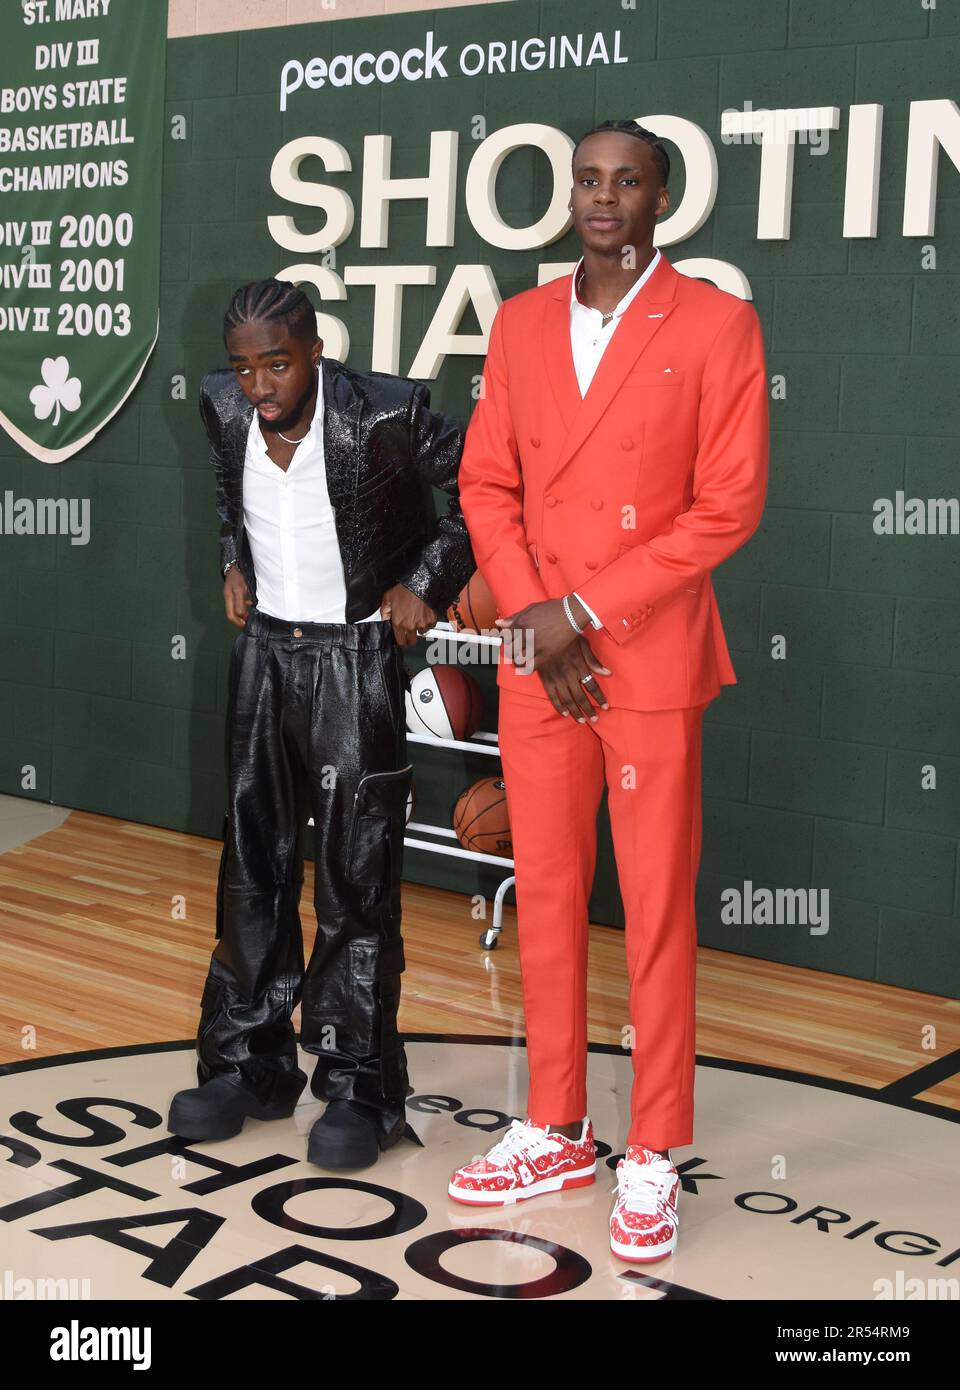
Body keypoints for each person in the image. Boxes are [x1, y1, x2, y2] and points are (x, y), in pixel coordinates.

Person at [451, 120, 769, 1261]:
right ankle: (555, 1123)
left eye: (625, 181)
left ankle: (654, 1147)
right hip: (544, 657)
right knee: (544, 888)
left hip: (646, 654)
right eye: (587, 179)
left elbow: (727, 506)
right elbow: (486, 479)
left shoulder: (720, 324)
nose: (602, 198)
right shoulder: (524, 321)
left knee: (656, 906)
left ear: (661, 199)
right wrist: (541, 615)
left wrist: (578, 612)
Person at [167, 278, 473, 1169]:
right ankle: (248, 1065)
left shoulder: (387, 412)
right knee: (250, 866)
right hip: (264, 655)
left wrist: (425, 585)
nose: (259, 384)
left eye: (278, 363)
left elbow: (478, 496)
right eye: (245, 366)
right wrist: (231, 556)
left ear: (314, 352)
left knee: (354, 875)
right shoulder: (220, 407)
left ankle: (360, 1087)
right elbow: (233, 495)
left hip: (353, 660)